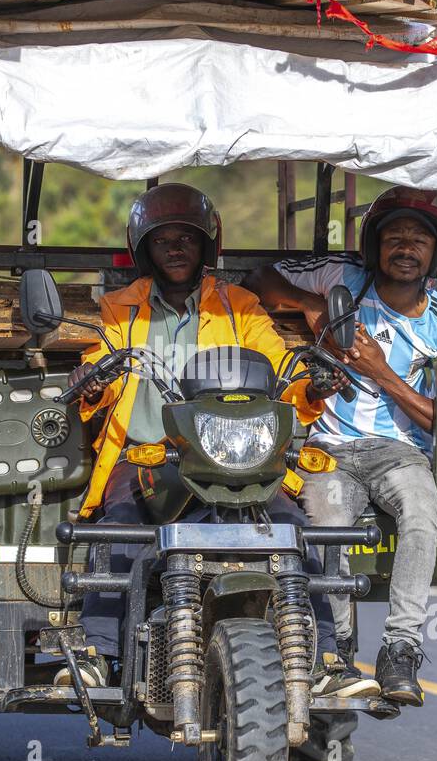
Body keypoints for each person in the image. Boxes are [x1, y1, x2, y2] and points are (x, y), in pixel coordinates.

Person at [58, 182, 340, 688]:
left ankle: (323, 660)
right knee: (119, 526)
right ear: (144, 247)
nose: (175, 247)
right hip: (146, 456)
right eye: (162, 238)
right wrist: (92, 379)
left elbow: (284, 372)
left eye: (186, 237)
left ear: (206, 244)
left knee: (288, 527)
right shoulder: (120, 307)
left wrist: (312, 385)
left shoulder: (240, 306)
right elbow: (97, 364)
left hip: (235, 458)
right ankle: (94, 652)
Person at [244, 185, 437, 706]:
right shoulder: (340, 276)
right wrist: (312, 307)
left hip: (398, 452)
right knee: (326, 521)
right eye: (394, 237)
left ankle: (400, 650)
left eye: (419, 239)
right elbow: (258, 278)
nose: (406, 248)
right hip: (330, 447)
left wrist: (381, 374)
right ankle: (337, 651)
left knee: (421, 511)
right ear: (373, 245)